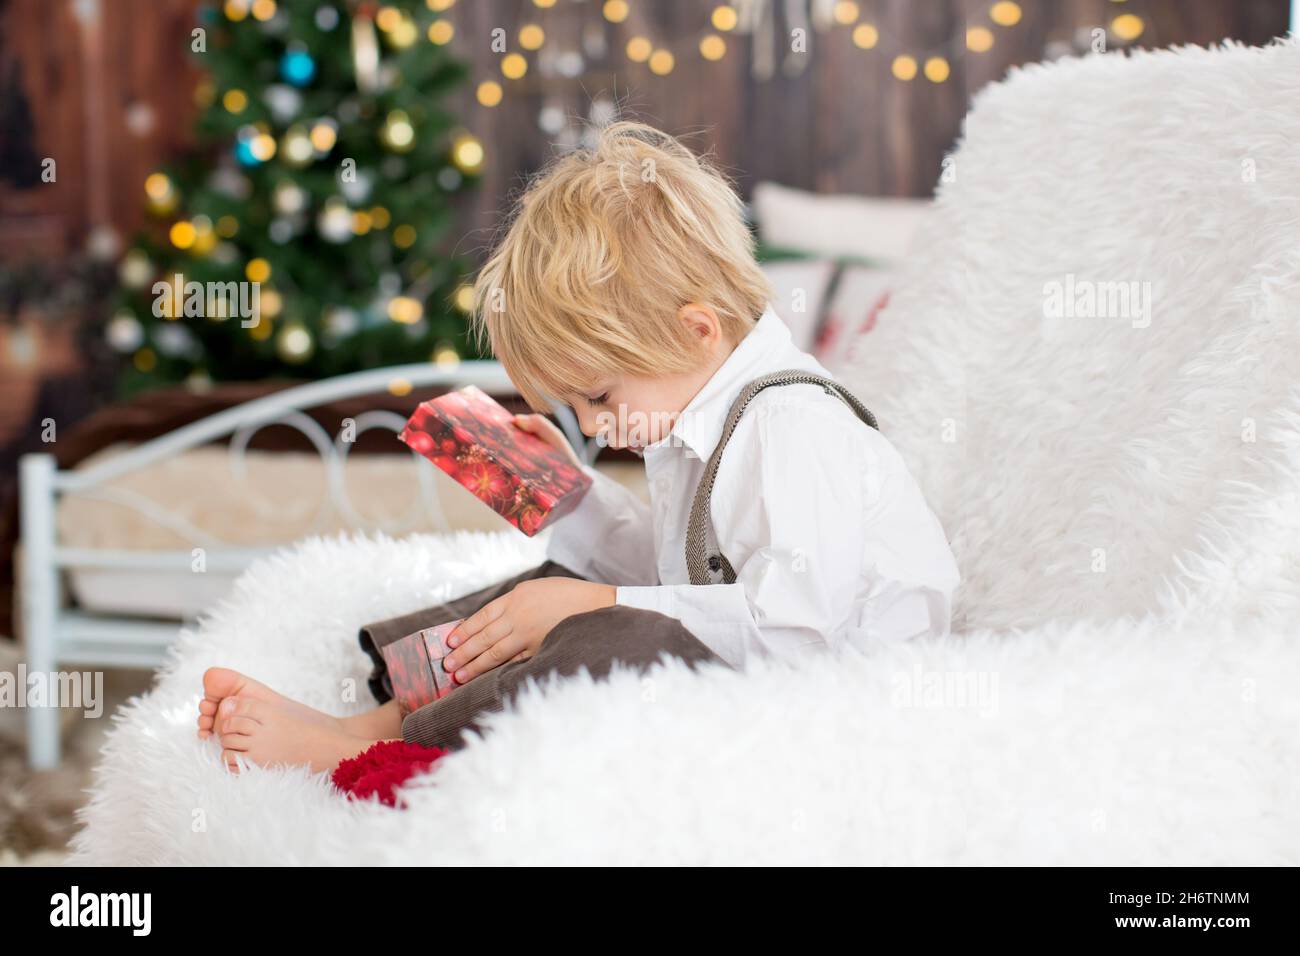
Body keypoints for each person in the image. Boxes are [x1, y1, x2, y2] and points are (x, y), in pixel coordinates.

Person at [195, 121, 960, 774]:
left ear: (696, 329)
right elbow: (675, 575)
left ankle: (376, 748)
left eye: (599, 396)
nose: (594, 426)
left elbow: (796, 637)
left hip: (823, 707)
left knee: (596, 628)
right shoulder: (703, 417)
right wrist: (574, 495)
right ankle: (397, 701)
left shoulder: (790, 425)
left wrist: (594, 605)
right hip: (752, 670)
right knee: (546, 593)